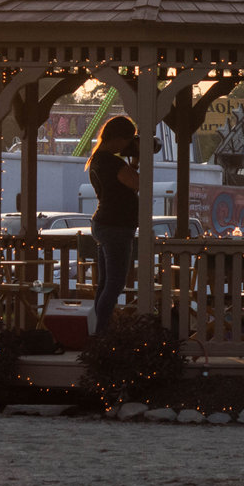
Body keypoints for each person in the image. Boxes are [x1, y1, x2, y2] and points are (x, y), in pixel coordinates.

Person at [86, 115, 144, 336]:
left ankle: (96, 331)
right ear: (120, 139)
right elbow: (136, 183)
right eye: (129, 140)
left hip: (105, 224)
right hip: (116, 227)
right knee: (115, 284)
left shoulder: (97, 159)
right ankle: (100, 334)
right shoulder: (111, 162)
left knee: (105, 284)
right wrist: (138, 160)